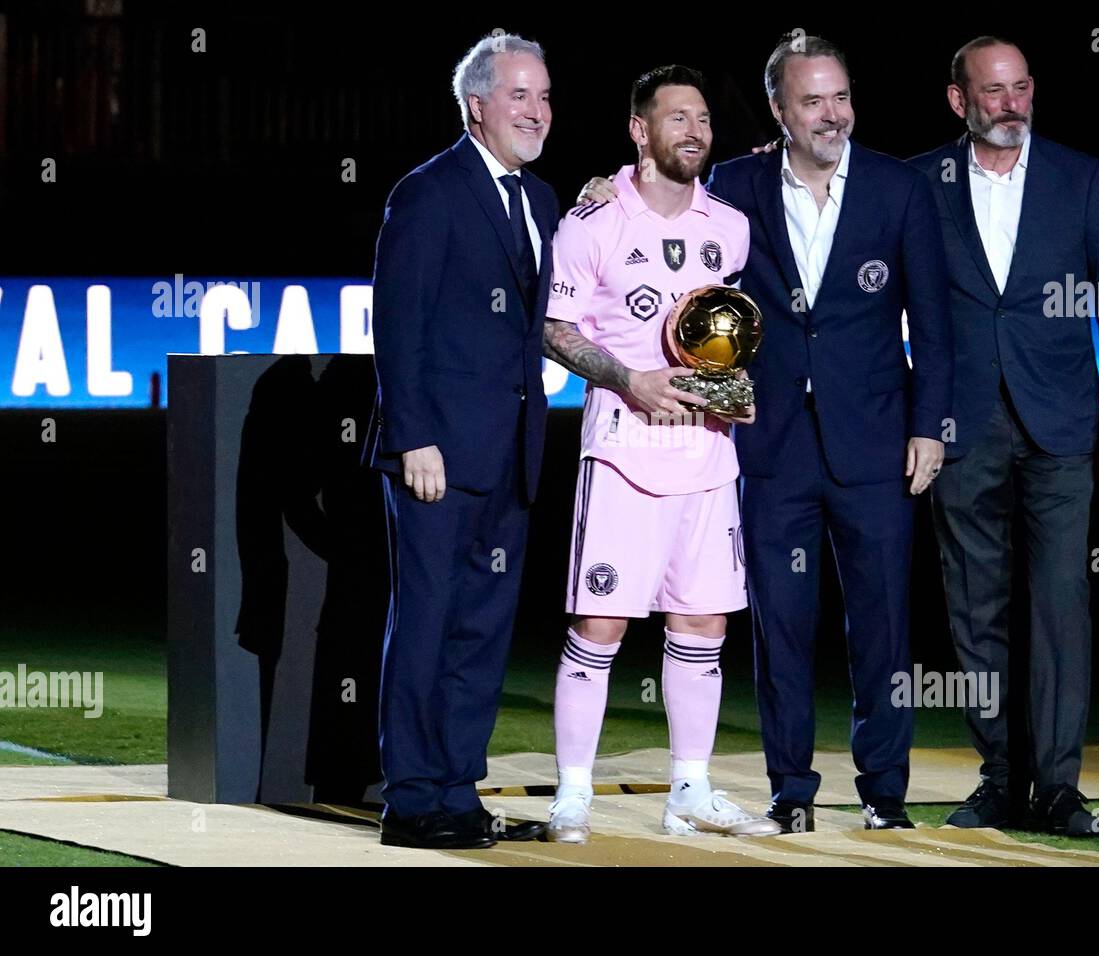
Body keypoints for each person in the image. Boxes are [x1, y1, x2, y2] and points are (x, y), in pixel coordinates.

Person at [580, 34, 952, 832]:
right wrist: (605, 190)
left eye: (841, 97)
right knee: (781, 624)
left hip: (878, 442)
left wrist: (931, 427)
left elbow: (936, 317)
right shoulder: (734, 184)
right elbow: (664, 215)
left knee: (883, 626)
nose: (832, 115)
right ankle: (792, 790)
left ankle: (885, 792)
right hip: (767, 442)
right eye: (812, 101)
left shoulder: (900, 188)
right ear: (780, 111)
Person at [908, 36, 1099, 837]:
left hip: (1064, 425)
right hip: (959, 426)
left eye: (1020, 89)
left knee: (1060, 606)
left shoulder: (1083, 177)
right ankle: (1001, 781)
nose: (1010, 104)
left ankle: (1060, 789)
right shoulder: (919, 182)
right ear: (959, 100)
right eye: (993, 91)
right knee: (974, 610)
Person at [541, 65, 779, 843]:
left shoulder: (729, 227)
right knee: (601, 625)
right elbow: (557, 328)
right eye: (676, 117)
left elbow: (724, 347)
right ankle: (572, 794)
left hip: (708, 462)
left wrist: (730, 394)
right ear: (640, 131)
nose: (694, 130)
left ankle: (691, 790)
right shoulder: (592, 221)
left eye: (703, 118)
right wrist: (629, 378)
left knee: (703, 623)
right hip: (622, 458)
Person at [362, 33, 558, 850]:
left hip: (511, 455)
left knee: (481, 632)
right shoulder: (429, 192)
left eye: (545, 97)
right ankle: (410, 799)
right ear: (477, 104)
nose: (538, 112)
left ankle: (456, 785)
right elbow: (396, 323)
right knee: (428, 623)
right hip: (437, 458)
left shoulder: (542, 200)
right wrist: (413, 437)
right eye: (520, 96)